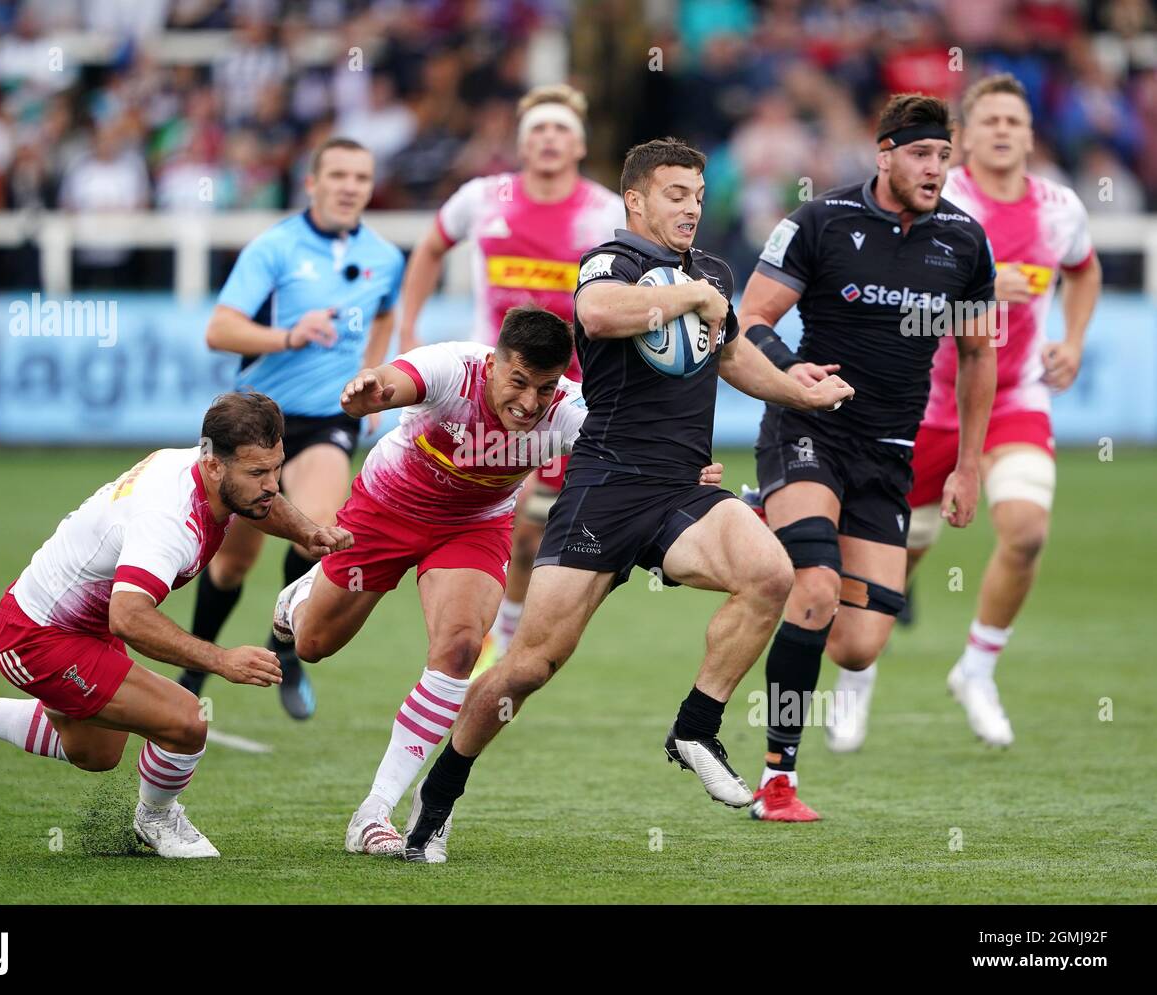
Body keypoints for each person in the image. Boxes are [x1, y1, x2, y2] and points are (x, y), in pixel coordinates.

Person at [402, 137, 854, 863]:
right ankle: (438, 796)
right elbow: (601, 314)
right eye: (676, 195)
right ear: (636, 200)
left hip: (683, 487)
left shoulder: (710, 272)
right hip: (605, 488)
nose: (691, 209)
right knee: (530, 666)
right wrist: (693, 296)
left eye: (699, 197)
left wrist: (802, 388)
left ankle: (695, 726)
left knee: (770, 572)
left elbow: (734, 355)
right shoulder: (611, 260)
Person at [271, 305, 728, 855]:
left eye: (545, 386)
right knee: (314, 644)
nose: (529, 402)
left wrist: (684, 470)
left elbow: (632, 452)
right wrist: (373, 389)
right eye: (518, 382)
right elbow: (396, 381)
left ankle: (375, 812)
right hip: (387, 509)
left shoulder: (566, 410)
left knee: (461, 648)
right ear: (494, 363)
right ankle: (300, 596)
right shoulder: (452, 368)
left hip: (474, 526)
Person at [0, 393, 352, 858]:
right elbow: (127, 616)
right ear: (214, 466)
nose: (272, 484)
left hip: (79, 624)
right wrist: (221, 659)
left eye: (276, 468)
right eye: (257, 472)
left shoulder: (207, 466)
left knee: (98, 753)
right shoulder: (168, 520)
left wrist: (309, 531)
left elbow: (260, 503)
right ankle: (157, 820)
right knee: (186, 721)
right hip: (37, 638)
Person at [736, 93, 998, 820]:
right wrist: (793, 372)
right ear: (884, 154)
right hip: (808, 427)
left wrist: (968, 464)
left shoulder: (966, 243)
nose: (934, 167)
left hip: (889, 453)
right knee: (814, 590)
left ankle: (760, 523)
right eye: (920, 153)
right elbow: (749, 317)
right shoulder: (820, 221)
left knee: (856, 646)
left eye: (944, 155)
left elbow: (979, 356)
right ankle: (778, 779)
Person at [827, 75, 1098, 751]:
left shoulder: (1061, 209)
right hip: (919, 401)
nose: (1004, 130)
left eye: (1016, 119)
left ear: (1031, 134)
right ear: (965, 139)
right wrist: (977, 285)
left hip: (1012, 399)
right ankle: (856, 678)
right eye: (991, 120)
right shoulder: (941, 202)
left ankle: (977, 668)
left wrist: (1073, 338)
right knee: (901, 557)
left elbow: (1084, 269)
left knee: (1027, 529)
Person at [395, 84, 625, 670]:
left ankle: (505, 629)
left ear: (579, 145)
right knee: (475, 512)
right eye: (537, 131)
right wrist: (408, 329)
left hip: (563, 395)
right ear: (523, 144)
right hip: (485, 393)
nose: (548, 140)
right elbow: (429, 248)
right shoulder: (482, 197)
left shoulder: (604, 211)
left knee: (532, 530)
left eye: (560, 131)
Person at [178, 137, 404, 720]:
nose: (351, 186)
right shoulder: (274, 248)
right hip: (255, 423)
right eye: (338, 175)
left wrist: (372, 375)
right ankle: (195, 669)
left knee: (316, 532)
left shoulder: (386, 256)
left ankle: (284, 647)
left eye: (361, 175)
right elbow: (219, 330)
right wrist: (289, 336)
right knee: (231, 565)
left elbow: (384, 313)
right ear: (312, 182)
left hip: (327, 420)